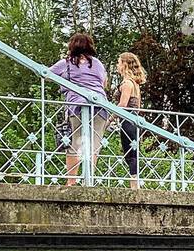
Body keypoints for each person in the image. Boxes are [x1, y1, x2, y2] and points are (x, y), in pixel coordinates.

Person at [50, 33, 109, 186]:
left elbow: (46, 74)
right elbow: (103, 82)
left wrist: (64, 81)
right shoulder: (97, 63)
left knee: (75, 143)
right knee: (94, 145)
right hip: (100, 106)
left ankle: (71, 181)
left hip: (77, 105)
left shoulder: (67, 63)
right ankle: (88, 181)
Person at [115, 52, 147, 190]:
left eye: (119, 62)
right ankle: (134, 183)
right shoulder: (135, 84)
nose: (117, 65)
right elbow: (137, 106)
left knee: (130, 153)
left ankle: (134, 185)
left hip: (127, 121)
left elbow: (122, 105)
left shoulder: (127, 83)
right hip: (133, 120)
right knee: (132, 151)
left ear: (124, 65)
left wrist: (110, 118)